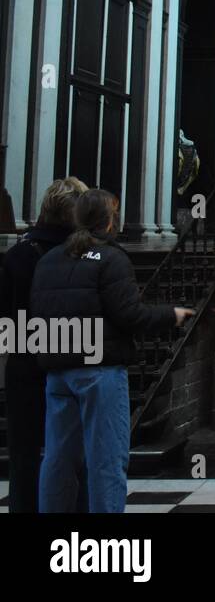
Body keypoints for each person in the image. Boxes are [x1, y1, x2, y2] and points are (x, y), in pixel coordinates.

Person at [29, 189, 193, 513]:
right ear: (107, 221)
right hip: (98, 371)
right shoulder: (111, 258)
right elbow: (130, 314)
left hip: (59, 371)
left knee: (58, 460)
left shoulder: (50, 259)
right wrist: (170, 315)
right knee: (106, 461)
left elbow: (38, 313)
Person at [0, 177, 88, 512]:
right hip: (73, 359)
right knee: (73, 454)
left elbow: (6, 316)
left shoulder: (19, 254)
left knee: (24, 455)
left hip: (26, 363)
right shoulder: (84, 257)